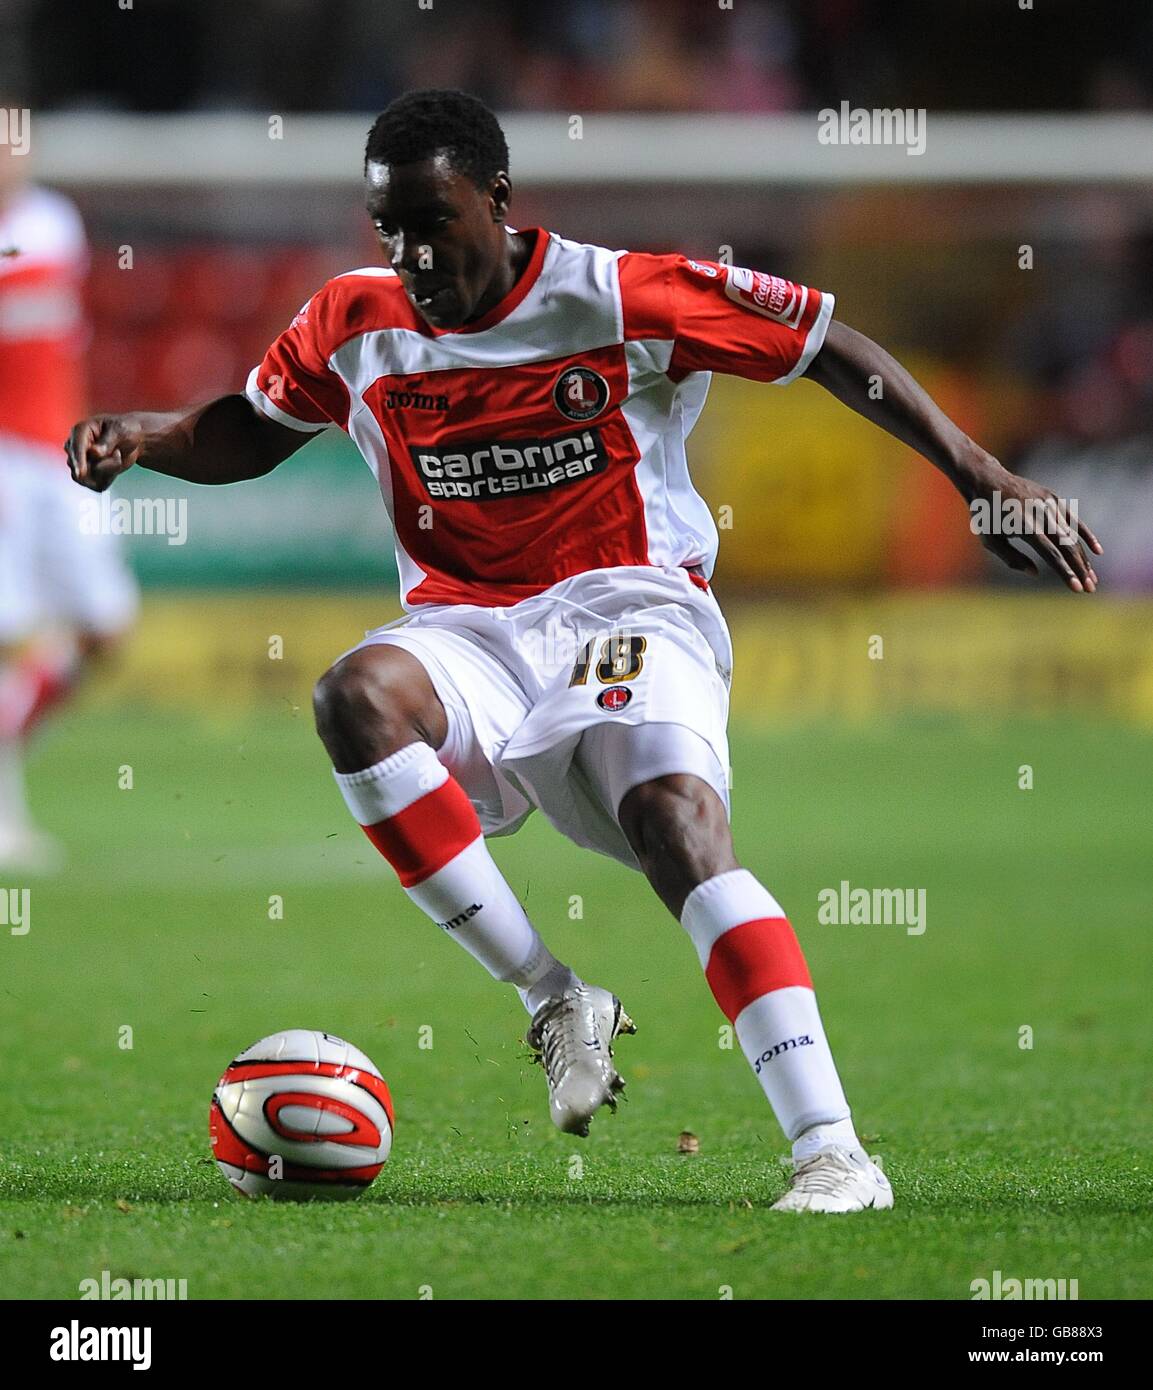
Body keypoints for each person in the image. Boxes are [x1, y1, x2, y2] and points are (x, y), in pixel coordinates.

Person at [66, 89, 1100, 1212]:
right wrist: (149, 437)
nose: (412, 255)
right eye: (389, 230)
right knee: (355, 694)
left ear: (497, 200)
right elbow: (254, 430)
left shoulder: (617, 294)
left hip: (629, 610)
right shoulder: (351, 320)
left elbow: (823, 346)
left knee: (674, 820)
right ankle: (554, 998)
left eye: (434, 222)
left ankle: (832, 1150)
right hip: (465, 626)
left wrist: (981, 478)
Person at [0, 121, 137, 870]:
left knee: (106, 627)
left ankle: (12, 735)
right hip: (1, 463)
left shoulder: (55, 223)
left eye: (14, 145)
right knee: (6, 635)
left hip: (59, 455)